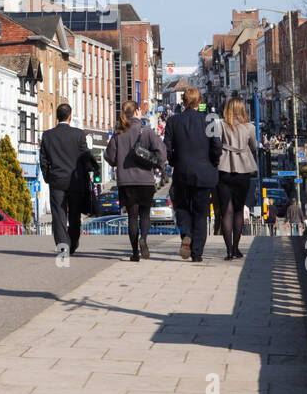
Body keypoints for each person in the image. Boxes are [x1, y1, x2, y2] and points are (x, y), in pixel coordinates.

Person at [163, 87, 221, 263]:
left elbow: (166, 148)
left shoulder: (173, 121)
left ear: (184, 101)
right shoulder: (210, 120)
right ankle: (197, 253)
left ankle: (186, 234)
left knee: (181, 206)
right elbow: (217, 147)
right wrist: (212, 163)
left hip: (182, 172)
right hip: (204, 174)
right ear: (199, 101)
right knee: (200, 213)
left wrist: (174, 161)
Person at [104, 100, 168, 262]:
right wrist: (156, 163)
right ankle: (144, 239)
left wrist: (118, 161)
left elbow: (109, 157)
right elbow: (162, 153)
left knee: (132, 217)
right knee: (145, 214)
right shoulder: (147, 131)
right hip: (145, 180)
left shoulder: (118, 134)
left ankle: (134, 253)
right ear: (137, 112)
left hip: (126, 181)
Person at [39, 103, 99, 260]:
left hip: (57, 181)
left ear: (57, 116)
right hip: (75, 181)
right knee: (74, 215)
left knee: (58, 215)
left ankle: (63, 245)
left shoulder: (47, 135)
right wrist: (89, 173)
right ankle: (73, 244)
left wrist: (48, 177)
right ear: (70, 116)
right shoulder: (79, 134)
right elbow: (85, 157)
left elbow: (43, 160)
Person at [216, 96, 257, 261]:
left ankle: (228, 251)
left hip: (224, 169)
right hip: (243, 171)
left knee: (226, 211)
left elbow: (216, 145)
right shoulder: (250, 128)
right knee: (239, 210)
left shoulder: (220, 125)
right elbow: (254, 147)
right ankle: (236, 248)